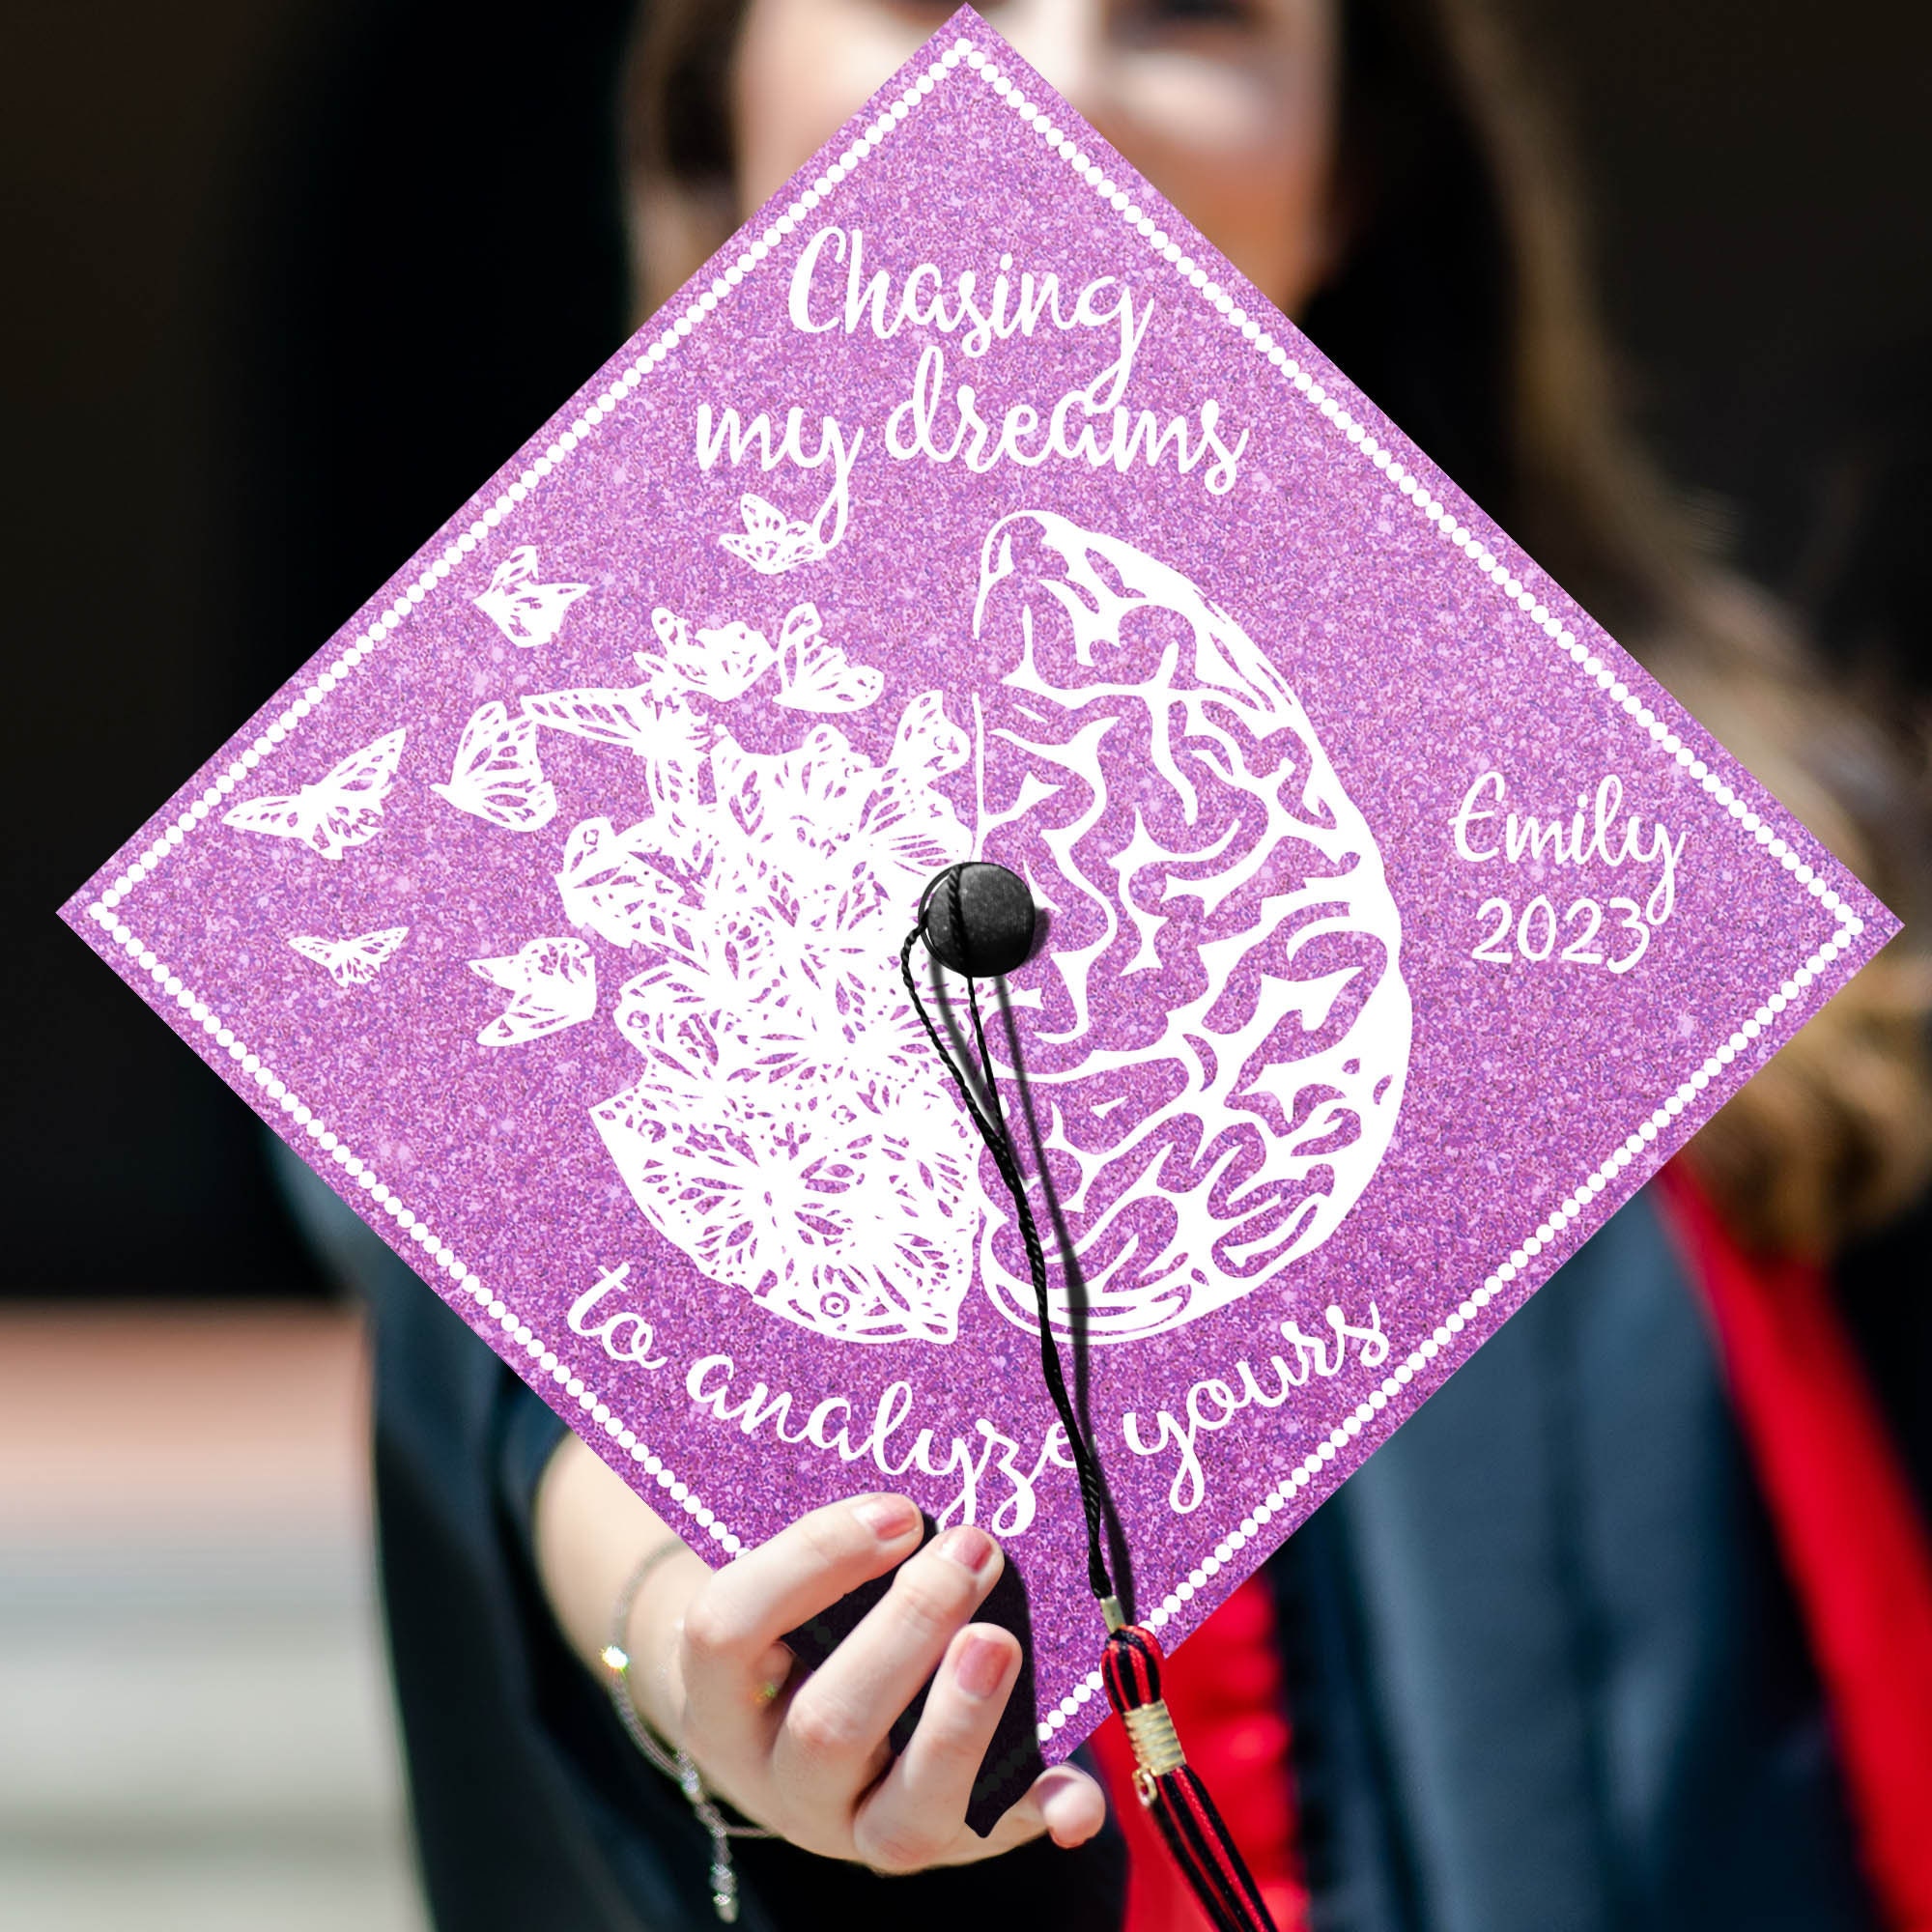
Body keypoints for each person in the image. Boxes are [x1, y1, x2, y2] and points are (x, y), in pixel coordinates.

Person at [276, 2, 1932, 1927]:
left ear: (1354, 164)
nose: (1048, 90)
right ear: (718, 111)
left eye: (1189, 11)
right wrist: (702, 1647)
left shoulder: (1703, 846)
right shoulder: (527, 836)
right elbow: (535, 1390)